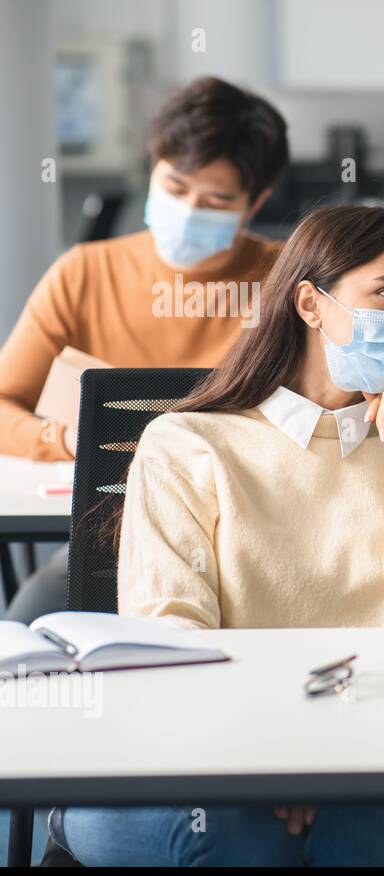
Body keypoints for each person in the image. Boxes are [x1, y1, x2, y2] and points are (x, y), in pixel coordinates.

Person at [48, 203, 384, 866]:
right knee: (239, 837)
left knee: (370, 838)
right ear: (309, 303)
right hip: (197, 753)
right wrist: (279, 758)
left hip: (360, 755)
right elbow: (173, 643)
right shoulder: (189, 443)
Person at [1, 75, 288, 622]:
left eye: (216, 201)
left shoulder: (285, 282)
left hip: (257, 535)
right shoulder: (85, 272)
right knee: (29, 628)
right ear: (152, 170)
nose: (189, 209)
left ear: (255, 203)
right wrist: (65, 439)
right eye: (176, 188)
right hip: (114, 533)